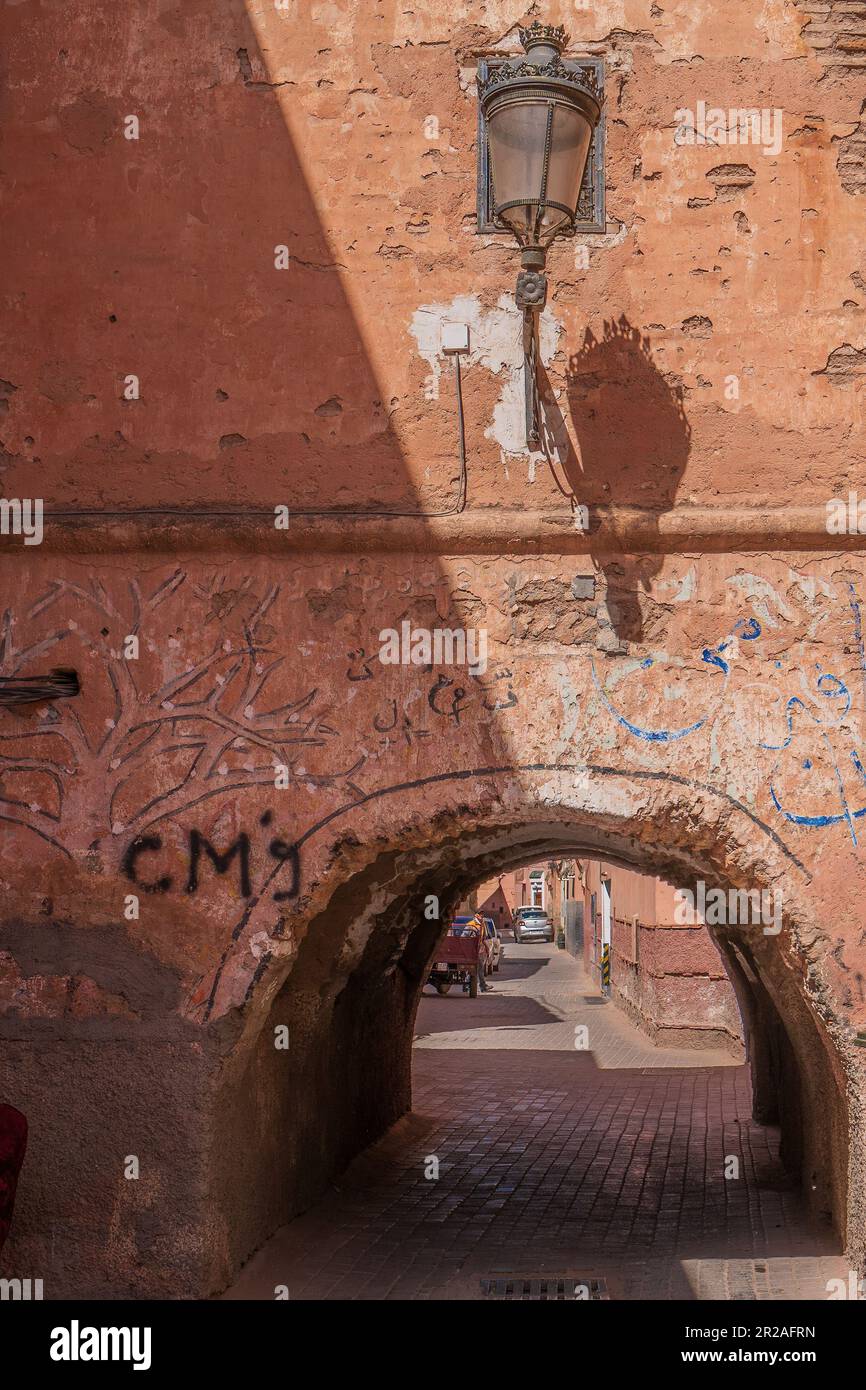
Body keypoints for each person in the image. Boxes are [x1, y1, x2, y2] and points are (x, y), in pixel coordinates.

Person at [464, 911, 492, 992]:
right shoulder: (471, 925)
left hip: (477, 951)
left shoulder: (482, 925)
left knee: (476, 969)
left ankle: (467, 986)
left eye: (482, 914)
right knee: (476, 968)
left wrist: (487, 948)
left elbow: (482, 938)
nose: (482, 916)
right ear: (476, 915)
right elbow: (464, 938)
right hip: (471, 951)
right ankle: (482, 986)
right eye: (480, 914)